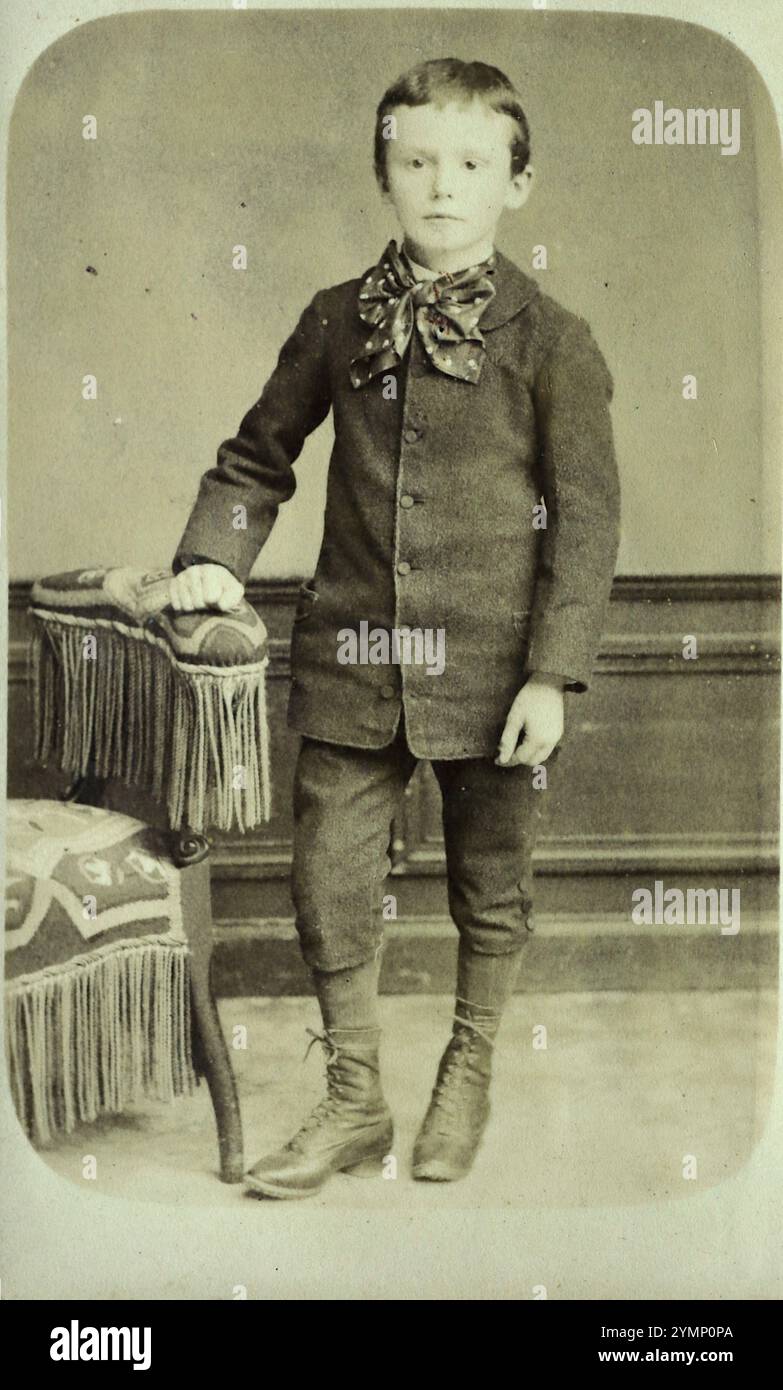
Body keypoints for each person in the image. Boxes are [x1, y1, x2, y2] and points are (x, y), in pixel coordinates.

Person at [169, 57, 621, 1198]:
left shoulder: (554, 341)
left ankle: (466, 1071)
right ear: (385, 172)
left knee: (492, 884)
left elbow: (588, 520)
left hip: (497, 673)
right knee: (326, 880)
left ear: (518, 182)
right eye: (416, 161)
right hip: (352, 666)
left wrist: (553, 677)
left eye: (472, 163)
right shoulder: (336, 318)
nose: (442, 187)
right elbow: (254, 456)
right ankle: (355, 1098)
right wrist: (217, 563)